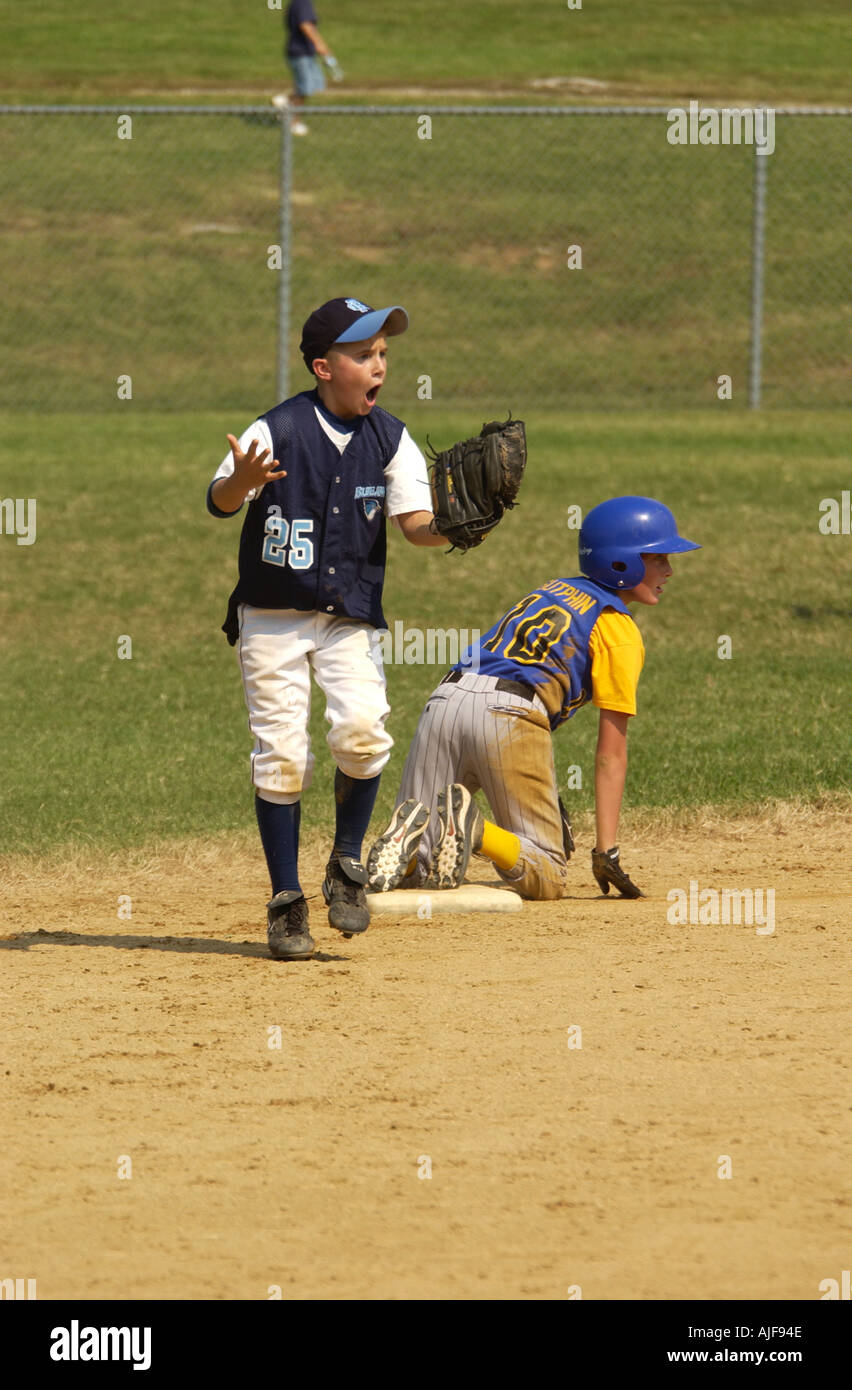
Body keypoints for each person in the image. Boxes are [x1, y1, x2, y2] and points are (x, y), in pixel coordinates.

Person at [208, 297, 445, 960]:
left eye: (384, 355)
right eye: (364, 354)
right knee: (283, 757)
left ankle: (345, 864)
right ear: (323, 366)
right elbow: (220, 500)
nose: (379, 365)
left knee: (365, 736)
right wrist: (243, 482)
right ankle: (287, 903)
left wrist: (457, 526)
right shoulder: (276, 430)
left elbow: (417, 526)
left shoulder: (391, 439)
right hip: (273, 618)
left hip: (349, 620)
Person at [367, 496, 701, 902]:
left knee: (424, 865)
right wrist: (606, 849)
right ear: (621, 562)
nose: (669, 569)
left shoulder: (551, 590)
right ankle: (477, 828)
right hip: (510, 715)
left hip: (445, 699)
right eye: (658, 557)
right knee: (546, 873)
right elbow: (610, 755)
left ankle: (409, 840)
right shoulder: (618, 629)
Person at [273, 1, 342, 135]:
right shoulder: (302, 3)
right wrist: (320, 45)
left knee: (313, 85)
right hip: (300, 53)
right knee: (305, 88)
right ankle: (293, 123)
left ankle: (285, 101)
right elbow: (305, 25)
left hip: (305, 53)